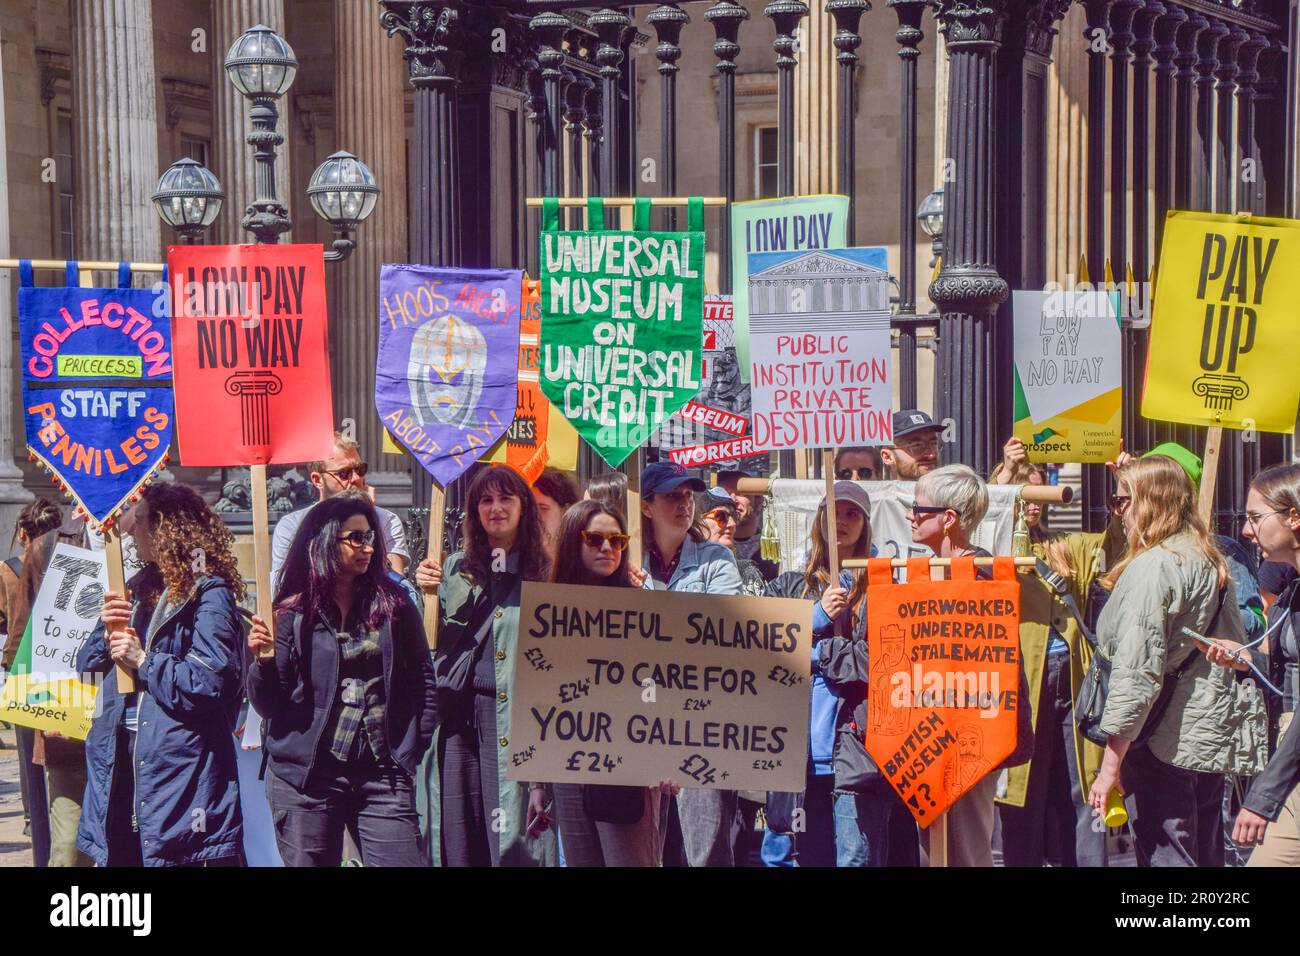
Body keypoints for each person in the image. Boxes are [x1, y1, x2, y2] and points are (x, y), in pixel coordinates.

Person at [1085, 456, 1266, 866]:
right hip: (1202, 734)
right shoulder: (1209, 558)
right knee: (1203, 852)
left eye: (1122, 501)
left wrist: (1109, 765)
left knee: (1169, 854)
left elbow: (1136, 674)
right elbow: (1236, 650)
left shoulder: (1153, 568)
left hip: (1159, 739)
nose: (1119, 512)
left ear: (1149, 502)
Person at [246, 492, 435, 866]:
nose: (367, 547)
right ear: (324, 541)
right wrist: (261, 661)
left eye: (370, 538)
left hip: (384, 771)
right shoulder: (291, 611)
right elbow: (268, 703)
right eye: (356, 538)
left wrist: (414, 746)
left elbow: (423, 681)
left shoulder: (394, 603)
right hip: (307, 778)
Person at [77, 484, 246, 866]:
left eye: (137, 524)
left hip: (177, 775)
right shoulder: (136, 588)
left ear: (163, 529)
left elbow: (208, 682)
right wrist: (106, 635)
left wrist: (143, 661)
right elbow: (86, 669)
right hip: (120, 766)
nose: (130, 534)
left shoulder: (208, 593)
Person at [415, 465, 558, 866]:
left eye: (506, 498)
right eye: (485, 500)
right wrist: (423, 592)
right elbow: (426, 642)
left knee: (513, 840)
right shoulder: (452, 569)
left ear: (524, 507)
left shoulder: (547, 574)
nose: (495, 508)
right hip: (458, 720)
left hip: (515, 722)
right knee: (460, 835)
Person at [764, 481, 897, 866]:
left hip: (858, 753)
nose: (842, 521)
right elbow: (764, 651)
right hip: (796, 753)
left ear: (866, 523)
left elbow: (886, 660)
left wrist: (821, 653)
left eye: (852, 513)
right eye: (835, 512)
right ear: (820, 518)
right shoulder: (791, 584)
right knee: (805, 857)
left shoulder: (883, 585)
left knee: (856, 858)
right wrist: (817, 615)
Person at [989, 439, 1107, 866]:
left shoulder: (1064, 545)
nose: (1032, 505)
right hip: (1022, 679)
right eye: (1024, 494)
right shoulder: (997, 545)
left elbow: (1116, 543)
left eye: (1038, 493)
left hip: (1071, 679)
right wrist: (1005, 474)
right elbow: (981, 519)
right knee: (1023, 791)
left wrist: (1122, 479)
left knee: (1078, 787)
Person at [908, 464, 1033, 866]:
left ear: (948, 520)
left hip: (971, 735)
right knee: (933, 850)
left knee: (967, 847)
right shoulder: (921, 574)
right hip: (925, 731)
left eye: (919, 509)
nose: (911, 516)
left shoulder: (984, 576)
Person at [548, 499, 667, 866]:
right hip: (567, 768)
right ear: (572, 541)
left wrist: (664, 755)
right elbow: (540, 693)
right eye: (595, 539)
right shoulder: (548, 612)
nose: (607, 548)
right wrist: (538, 785)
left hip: (629, 767)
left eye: (617, 541)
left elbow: (660, 688)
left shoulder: (643, 609)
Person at [641, 460, 743, 866]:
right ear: (646, 506)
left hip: (702, 721)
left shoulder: (716, 559)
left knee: (706, 850)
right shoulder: (625, 561)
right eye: (671, 496)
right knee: (646, 847)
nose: (684, 505)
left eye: (687, 496)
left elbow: (722, 633)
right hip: (642, 722)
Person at [1225, 464, 1300, 866]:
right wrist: (1246, 657)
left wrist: (1262, 799)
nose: (1246, 531)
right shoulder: (1293, 588)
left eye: (1256, 518)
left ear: (1294, 516)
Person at [2, 498, 64, 867]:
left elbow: (15, 627)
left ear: (22, 532)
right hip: (68, 671)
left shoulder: (12, 568)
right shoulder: (71, 555)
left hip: (26, 669)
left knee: (32, 765)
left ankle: (39, 833)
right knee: (66, 763)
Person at [270, 433, 410, 590]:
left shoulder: (386, 520)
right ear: (317, 480)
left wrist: (368, 518)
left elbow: (397, 589)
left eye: (360, 469)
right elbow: (281, 589)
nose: (356, 478)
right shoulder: (292, 525)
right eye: (344, 473)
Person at [697, 487, 766, 596]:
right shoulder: (676, 566)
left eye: (734, 516)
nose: (732, 524)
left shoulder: (746, 573)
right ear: (699, 521)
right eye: (721, 516)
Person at [716, 470, 778, 582]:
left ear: (758, 501)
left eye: (741, 493)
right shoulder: (708, 549)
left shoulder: (774, 549)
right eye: (726, 494)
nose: (733, 500)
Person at [532, 467, 580, 561]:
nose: (533, 516)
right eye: (529, 508)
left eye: (543, 508)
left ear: (565, 512)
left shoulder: (581, 560)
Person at [881, 409, 943, 480]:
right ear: (887, 457)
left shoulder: (952, 490)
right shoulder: (872, 490)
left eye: (934, 444)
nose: (931, 455)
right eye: (916, 445)